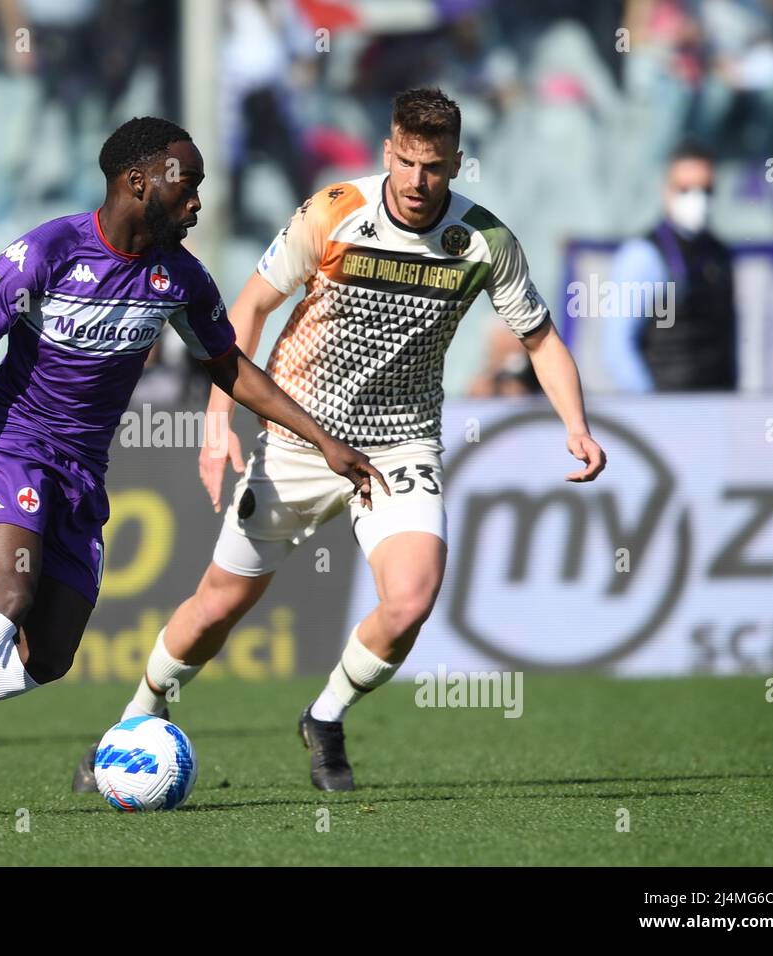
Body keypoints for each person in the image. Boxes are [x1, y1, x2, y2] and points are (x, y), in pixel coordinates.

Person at [0, 116, 389, 821]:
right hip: (12, 446)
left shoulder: (180, 277)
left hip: (82, 471)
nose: (197, 202)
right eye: (187, 184)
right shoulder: (47, 253)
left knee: (45, 659)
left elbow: (230, 366)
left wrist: (323, 439)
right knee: (8, 596)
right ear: (137, 182)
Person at [74, 88, 607, 793]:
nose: (419, 181)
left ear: (456, 164)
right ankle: (135, 719)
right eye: (408, 162)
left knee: (411, 599)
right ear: (388, 152)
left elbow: (539, 339)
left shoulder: (485, 242)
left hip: (398, 447)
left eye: (435, 167)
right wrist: (217, 417)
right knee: (218, 606)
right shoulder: (333, 212)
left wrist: (576, 426)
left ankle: (324, 716)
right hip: (299, 436)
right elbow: (250, 308)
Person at [603, 141, 737, 392]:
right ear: (666, 191)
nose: (697, 199)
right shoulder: (643, 256)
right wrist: (654, 406)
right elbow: (618, 348)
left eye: (706, 190)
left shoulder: (719, 254)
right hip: (666, 407)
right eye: (685, 189)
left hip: (718, 405)